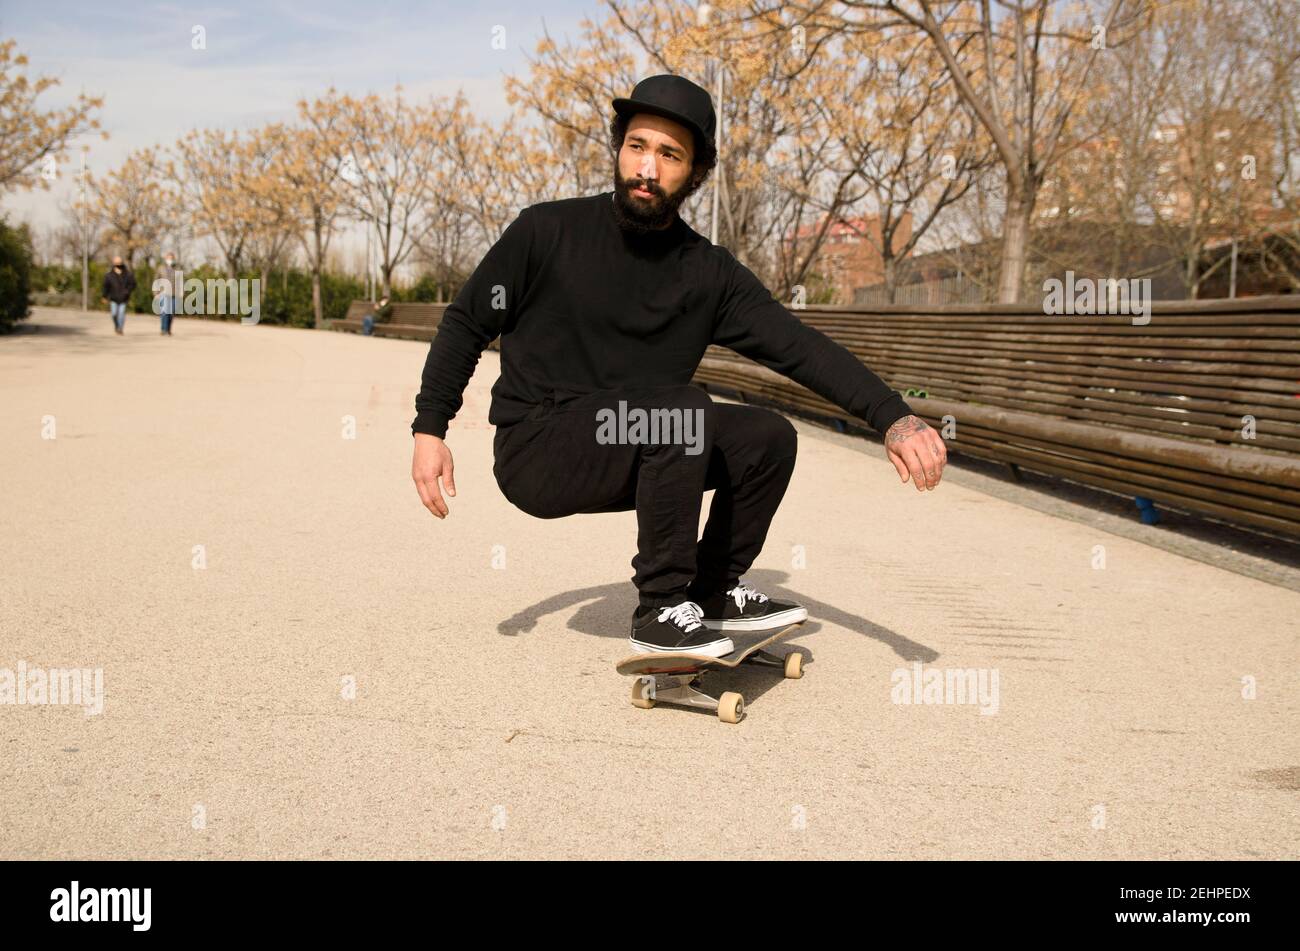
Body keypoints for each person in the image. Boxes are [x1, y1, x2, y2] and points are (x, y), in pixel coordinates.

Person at [410, 74, 948, 658]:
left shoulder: (708, 273)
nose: (647, 168)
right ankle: (662, 607)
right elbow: (466, 322)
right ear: (618, 150)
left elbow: (800, 346)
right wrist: (430, 428)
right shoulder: (546, 232)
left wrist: (893, 417)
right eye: (636, 146)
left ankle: (712, 589)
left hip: (640, 441)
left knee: (767, 436)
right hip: (540, 448)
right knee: (682, 410)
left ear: (694, 173)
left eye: (669, 155)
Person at [102, 256, 136, 335]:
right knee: (114, 314)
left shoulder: (128, 274)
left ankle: (120, 328)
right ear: (114, 263)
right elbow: (105, 287)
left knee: (121, 313)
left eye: (119, 263)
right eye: (116, 263)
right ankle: (116, 326)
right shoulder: (109, 275)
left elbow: (133, 284)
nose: (118, 264)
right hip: (113, 298)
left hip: (124, 298)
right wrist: (104, 296)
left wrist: (127, 291)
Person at [154, 252, 178, 336]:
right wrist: (156, 293)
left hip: (174, 294)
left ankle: (168, 329)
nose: (170, 260)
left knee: (171, 313)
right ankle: (163, 329)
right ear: (165, 259)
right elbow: (156, 280)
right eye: (168, 258)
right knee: (164, 312)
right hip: (163, 293)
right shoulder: (160, 268)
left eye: (171, 258)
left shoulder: (177, 269)